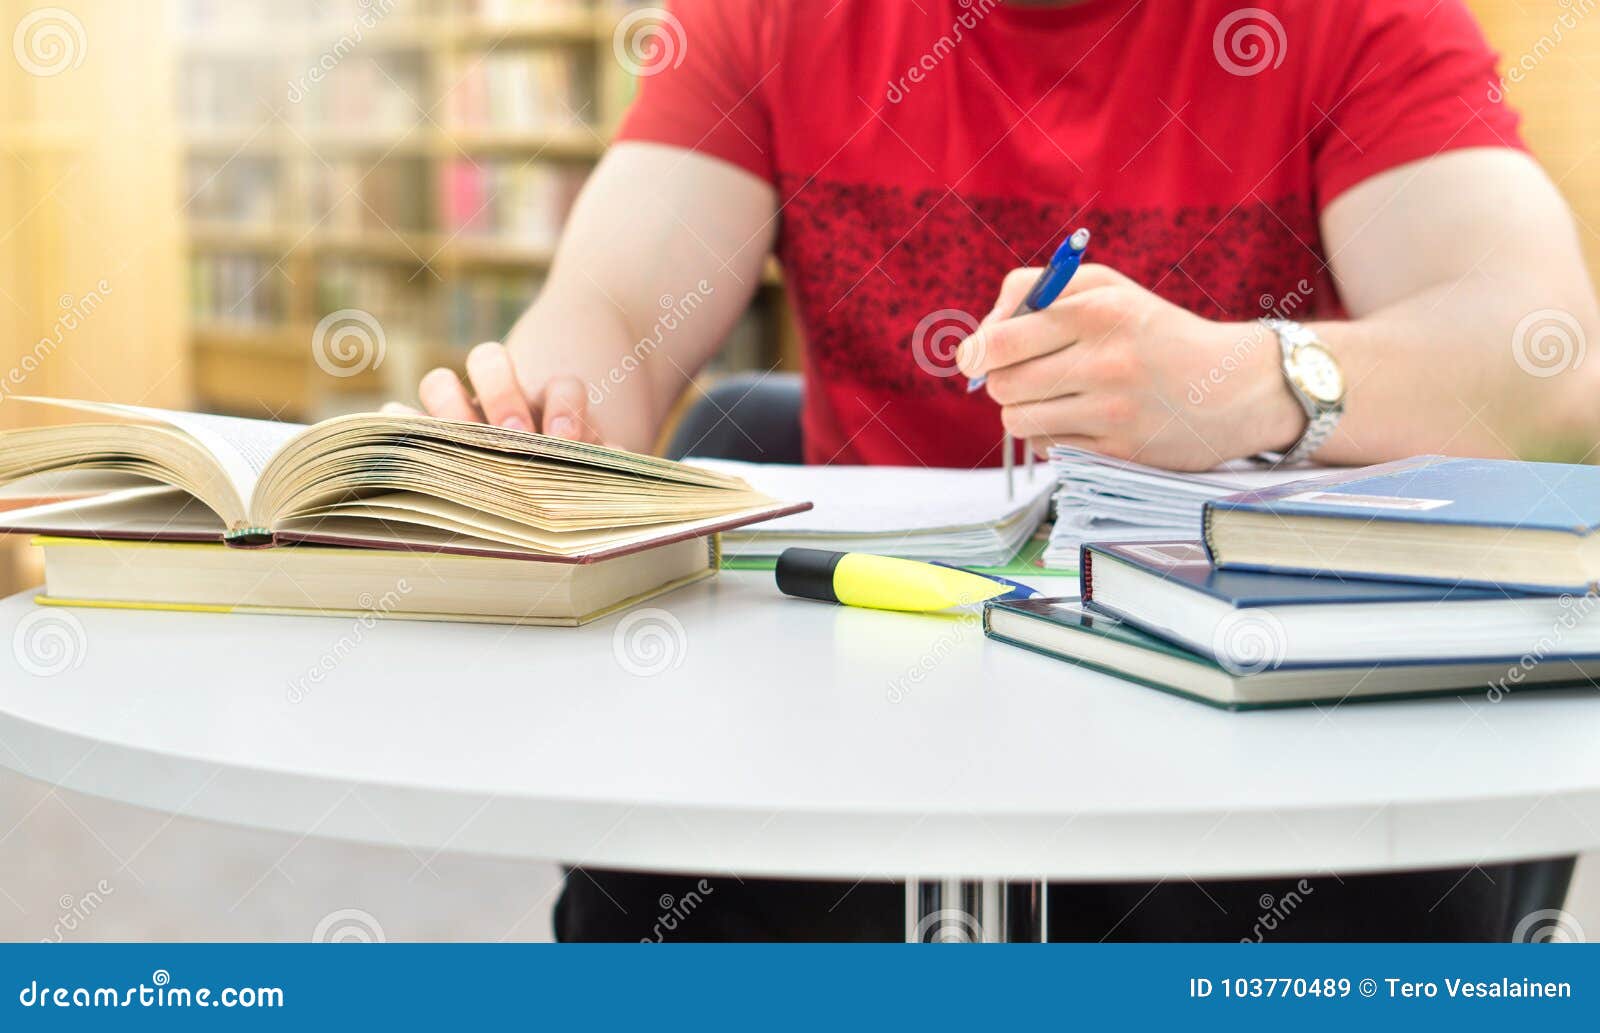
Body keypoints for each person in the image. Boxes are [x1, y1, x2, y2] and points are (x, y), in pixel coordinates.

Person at [395, 0, 1600, 940]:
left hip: (1232, 722)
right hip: (865, 696)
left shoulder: (1350, 22)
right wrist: (540, 423)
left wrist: (1246, 379)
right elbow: (610, 306)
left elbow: (1549, 366)